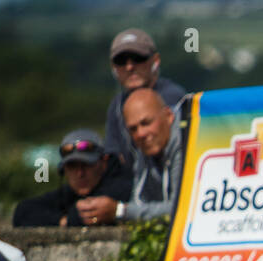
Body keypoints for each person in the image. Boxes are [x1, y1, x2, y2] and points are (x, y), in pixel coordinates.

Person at [76, 88, 184, 225]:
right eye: (133, 129)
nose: (141, 134)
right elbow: (138, 200)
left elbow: (180, 209)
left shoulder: (184, 142)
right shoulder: (146, 147)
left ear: (168, 116)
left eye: (146, 123)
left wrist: (120, 211)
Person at [12, 130, 133, 228]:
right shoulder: (69, 192)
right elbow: (23, 211)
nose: (79, 173)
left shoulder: (124, 186)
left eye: (87, 165)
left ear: (104, 162)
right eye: (72, 166)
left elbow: (85, 214)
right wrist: (64, 221)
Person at [104, 28, 186, 168]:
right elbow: (113, 157)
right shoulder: (116, 105)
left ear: (156, 61)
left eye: (138, 58)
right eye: (121, 61)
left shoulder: (174, 97)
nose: (129, 67)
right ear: (113, 67)